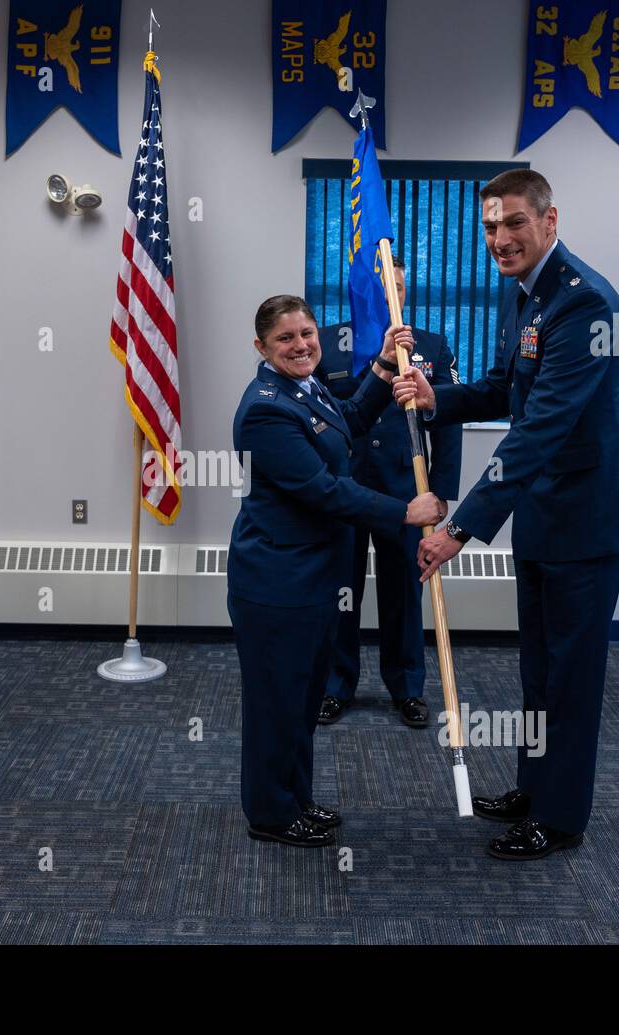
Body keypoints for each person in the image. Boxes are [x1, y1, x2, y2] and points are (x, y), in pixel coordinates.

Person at [394, 170, 619, 860]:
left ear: (549, 220)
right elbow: (509, 388)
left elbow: (538, 429)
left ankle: (561, 816)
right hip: (543, 515)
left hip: (588, 520)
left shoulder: (586, 304)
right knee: (538, 669)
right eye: (489, 226)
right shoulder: (526, 295)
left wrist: (459, 526)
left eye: (513, 223)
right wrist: (435, 397)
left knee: (571, 675)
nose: (500, 238)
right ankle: (533, 789)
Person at [229, 294, 442, 847]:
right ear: (261, 347)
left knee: (299, 700)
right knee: (277, 704)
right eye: (286, 338)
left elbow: (344, 419)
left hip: (311, 579)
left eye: (307, 333)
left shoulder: (306, 386)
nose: (301, 345)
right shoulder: (265, 409)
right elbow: (323, 491)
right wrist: (404, 511)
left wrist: (377, 368)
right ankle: (271, 815)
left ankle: (295, 798)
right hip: (278, 583)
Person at [313, 255, 463, 729]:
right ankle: (337, 684)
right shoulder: (329, 345)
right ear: (361, 292)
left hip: (406, 492)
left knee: (404, 593)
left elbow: (450, 421)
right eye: (381, 287)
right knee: (341, 591)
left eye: (398, 287)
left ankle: (407, 688)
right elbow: (320, 421)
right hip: (347, 489)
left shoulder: (432, 347)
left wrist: (441, 491)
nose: (389, 295)